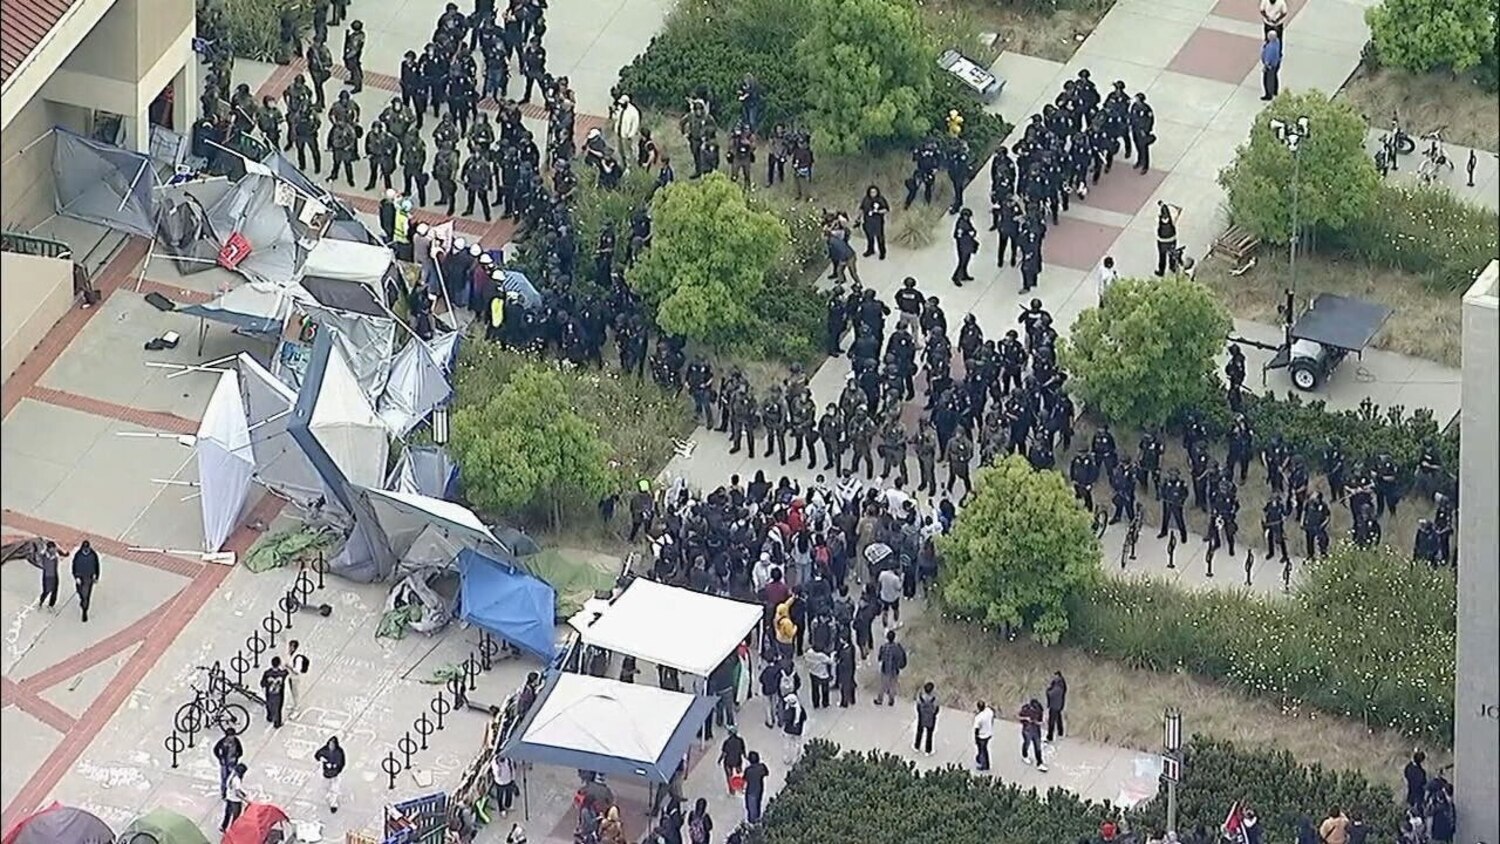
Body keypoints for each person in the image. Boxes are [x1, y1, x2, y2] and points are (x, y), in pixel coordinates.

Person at [875, 629, 907, 706]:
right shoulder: (897, 647)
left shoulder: (884, 647)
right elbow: (900, 657)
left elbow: (880, 658)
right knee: (893, 685)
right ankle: (891, 699)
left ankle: (880, 699)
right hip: (894, 669)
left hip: (885, 669)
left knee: (883, 685)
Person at [314, 736, 344, 812]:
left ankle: (333, 804)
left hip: (335, 775)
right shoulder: (325, 750)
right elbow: (317, 755)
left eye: (333, 745)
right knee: (324, 788)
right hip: (326, 774)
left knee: (334, 789)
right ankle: (328, 797)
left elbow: (342, 762)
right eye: (330, 744)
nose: (331, 746)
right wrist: (321, 758)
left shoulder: (339, 752)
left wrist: (336, 768)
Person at [72, 539, 100, 622]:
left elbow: (97, 565)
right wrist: (76, 576)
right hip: (80, 577)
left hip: (89, 577)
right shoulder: (78, 555)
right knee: (80, 591)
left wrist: (96, 576)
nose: (86, 550)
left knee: (86, 595)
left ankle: (84, 611)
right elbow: (74, 565)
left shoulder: (93, 554)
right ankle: (82, 601)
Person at [859, 186, 889, 260]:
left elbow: (886, 209)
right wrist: (859, 218)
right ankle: (870, 250)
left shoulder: (880, 199)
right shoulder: (866, 199)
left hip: (878, 222)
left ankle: (882, 252)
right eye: (871, 192)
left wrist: (878, 211)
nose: (873, 193)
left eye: (874, 192)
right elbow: (862, 208)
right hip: (868, 221)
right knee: (870, 237)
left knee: (880, 238)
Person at [213, 726, 243, 799]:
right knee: (224, 779)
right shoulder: (222, 742)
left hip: (232, 763)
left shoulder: (236, 741)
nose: (231, 738)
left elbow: (240, 751)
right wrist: (220, 758)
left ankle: (231, 791)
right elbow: (215, 749)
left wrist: (236, 757)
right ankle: (224, 793)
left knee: (232, 778)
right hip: (224, 763)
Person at [261, 656, 289, 728]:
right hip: (279, 693)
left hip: (269, 693)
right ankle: (277, 723)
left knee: (269, 704)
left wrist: (267, 684)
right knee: (278, 708)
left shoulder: (267, 673)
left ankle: (269, 717)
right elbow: (287, 672)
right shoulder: (283, 673)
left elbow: (262, 684)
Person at [1019, 698, 1047, 771]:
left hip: (1035, 730)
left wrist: (1036, 722)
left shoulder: (1039, 710)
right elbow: (1019, 717)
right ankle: (1025, 755)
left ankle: (1039, 763)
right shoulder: (1025, 708)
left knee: (1038, 747)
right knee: (1027, 743)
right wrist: (1026, 719)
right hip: (1027, 730)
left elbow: (1040, 722)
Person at [742, 751, 769, 824]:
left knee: (751, 809)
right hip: (759, 789)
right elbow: (766, 773)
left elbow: (744, 779)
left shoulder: (748, 770)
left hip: (750, 791)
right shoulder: (762, 767)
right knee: (758, 805)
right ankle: (758, 819)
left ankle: (753, 825)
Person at [1154, 202, 1180, 277]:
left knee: (1162, 257)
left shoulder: (1160, 223)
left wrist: (1162, 205)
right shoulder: (1171, 222)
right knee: (1172, 255)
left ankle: (1161, 271)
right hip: (1171, 241)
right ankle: (1172, 267)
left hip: (1162, 243)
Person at [781, 690, 807, 764]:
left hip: (788, 730)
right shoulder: (800, 709)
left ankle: (787, 758)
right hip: (798, 730)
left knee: (788, 745)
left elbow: (784, 720)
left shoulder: (788, 710)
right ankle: (796, 759)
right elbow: (804, 718)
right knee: (796, 745)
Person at [221, 762, 247, 832]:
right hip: (235, 801)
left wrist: (242, 792)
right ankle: (233, 829)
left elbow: (232, 788)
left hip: (229, 797)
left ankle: (223, 826)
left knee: (227, 814)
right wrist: (245, 800)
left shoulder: (231, 776)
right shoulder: (237, 780)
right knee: (236, 816)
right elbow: (237, 793)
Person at [915, 681, 939, 755]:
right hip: (931, 717)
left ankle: (917, 746)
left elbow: (918, 706)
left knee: (919, 731)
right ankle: (928, 750)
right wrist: (934, 714)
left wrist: (920, 714)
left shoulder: (920, 696)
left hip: (922, 716)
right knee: (930, 734)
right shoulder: (934, 698)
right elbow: (936, 708)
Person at [286, 639, 310, 716]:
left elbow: (297, 671)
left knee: (296, 694)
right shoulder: (291, 654)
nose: (289, 648)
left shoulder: (298, 658)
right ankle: (294, 705)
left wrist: (289, 667)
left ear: (294, 647)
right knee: (293, 693)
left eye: (290, 646)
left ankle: (297, 709)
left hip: (296, 678)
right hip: (291, 677)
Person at [719, 727, 746, 794]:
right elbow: (743, 751)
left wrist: (719, 760)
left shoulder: (726, 742)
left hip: (728, 761)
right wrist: (746, 756)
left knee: (729, 776)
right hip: (738, 760)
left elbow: (724, 753)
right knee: (740, 774)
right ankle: (741, 787)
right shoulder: (740, 740)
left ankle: (732, 790)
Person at [37, 540, 62, 610]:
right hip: (47, 575)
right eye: (52, 548)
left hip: (54, 575)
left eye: (54, 548)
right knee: (46, 591)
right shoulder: (44, 555)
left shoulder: (55, 556)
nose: (54, 549)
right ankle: (41, 601)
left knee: (54, 591)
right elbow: (39, 557)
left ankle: (51, 605)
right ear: (49, 548)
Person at [1045, 671, 1068, 742]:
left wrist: (1048, 691)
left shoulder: (1058, 684)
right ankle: (1060, 733)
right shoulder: (1061, 684)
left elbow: (1052, 694)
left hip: (1054, 705)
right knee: (1058, 719)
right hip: (1059, 705)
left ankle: (1050, 736)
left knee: (1051, 721)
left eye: (1055, 676)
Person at [972, 700, 995, 771]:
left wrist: (975, 738)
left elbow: (976, 729)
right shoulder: (989, 711)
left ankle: (984, 765)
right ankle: (979, 758)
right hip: (988, 733)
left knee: (982, 750)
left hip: (982, 736)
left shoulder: (979, 718)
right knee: (984, 749)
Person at [1260, 31, 1282, 101]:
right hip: (1276, 64)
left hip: (1270, 66)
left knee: (1267, 80)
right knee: (1274, 77)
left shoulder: (1270, 47)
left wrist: (1265, 66)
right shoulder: (1277, 42)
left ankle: (1268, 94)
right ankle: (1275, 91)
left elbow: (1268, 57)